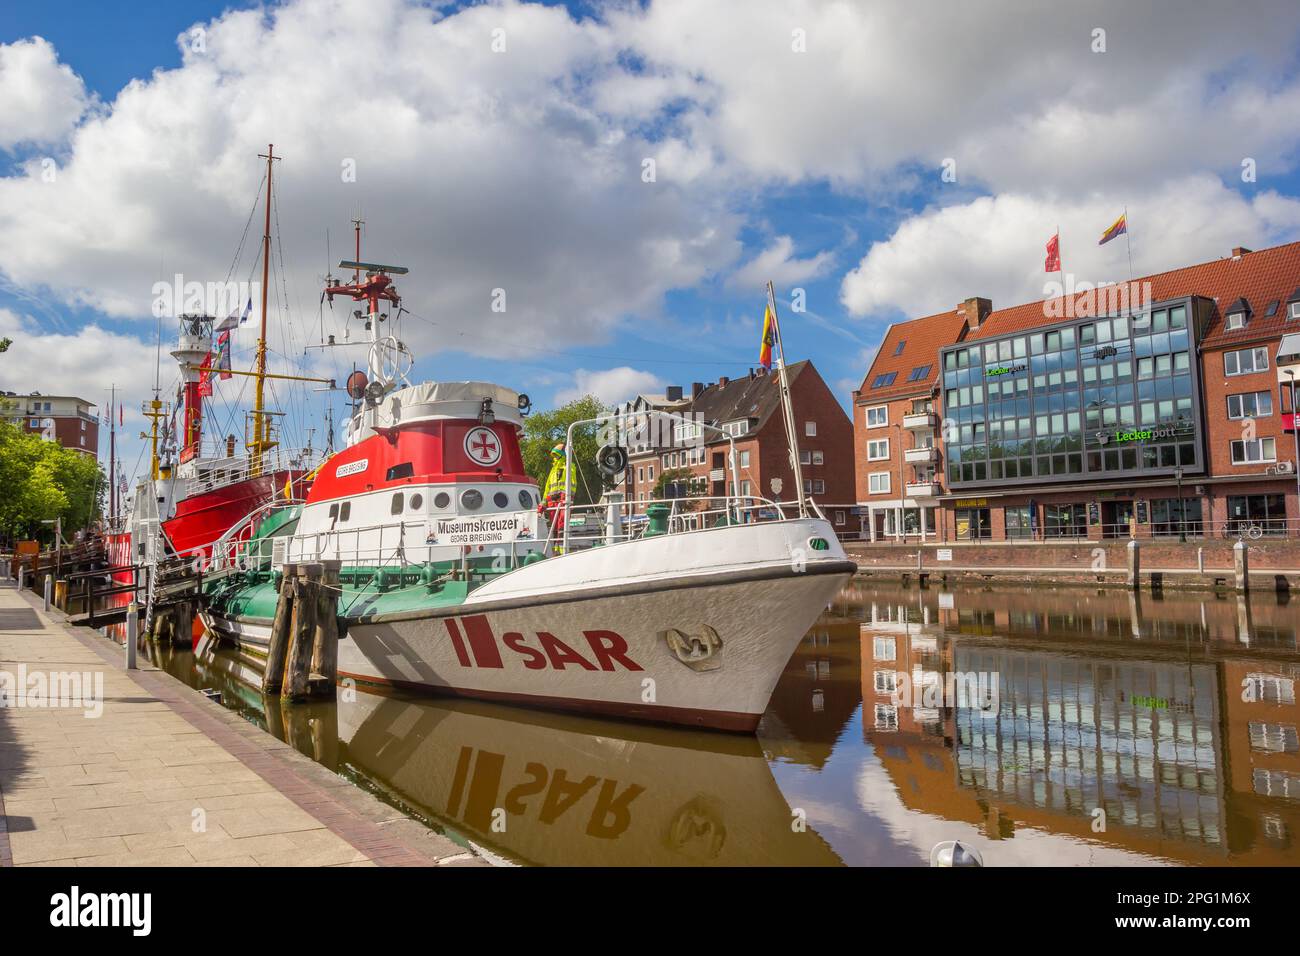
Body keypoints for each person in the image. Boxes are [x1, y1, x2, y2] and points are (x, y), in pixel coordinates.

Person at [540, 441, 571, 545]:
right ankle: (555, 551)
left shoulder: (569, 467)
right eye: (555, 456)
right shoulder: (553, 470)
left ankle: (562, 551)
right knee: (554, 528)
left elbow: (573, 484)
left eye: (557, 455)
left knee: (562, 526)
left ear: (562, 455)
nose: (555, 458)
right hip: (552, 503)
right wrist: (543, 503)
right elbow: (547, 488)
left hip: (563, 502)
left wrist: (567, 497)